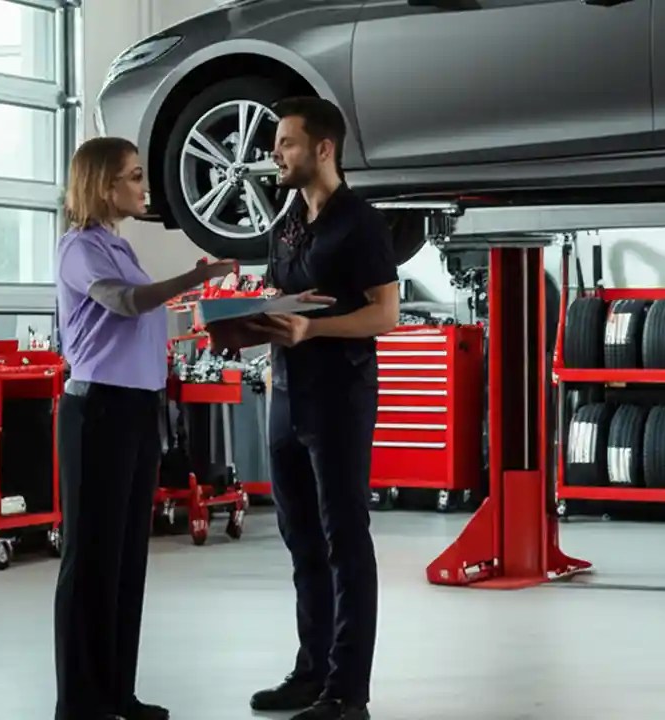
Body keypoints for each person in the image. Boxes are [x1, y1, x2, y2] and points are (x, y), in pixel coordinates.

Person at [209, 96, 400, 720]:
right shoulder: (287, 222)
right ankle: (311, 670)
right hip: (286, 394)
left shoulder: (360, 223)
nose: (274, 156)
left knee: (346, 538)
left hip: (340, 396)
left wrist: (312, 331)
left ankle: (348, 691)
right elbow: (283, 300)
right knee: (301, 540)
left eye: (285, 144)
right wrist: (243, 326)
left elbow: (385, 314)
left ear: (323, 148)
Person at [53, 136, 235, 720]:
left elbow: (148, 312)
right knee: (91, 560)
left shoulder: (120, 248)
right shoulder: (79, 249)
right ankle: (79, 702)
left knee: (129, 555)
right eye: (133, 177)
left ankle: (116, 693)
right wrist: (190, 279)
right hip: (97, 411)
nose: (143, 187)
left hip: (135, 409)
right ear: (105, 185)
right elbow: (127, 304)